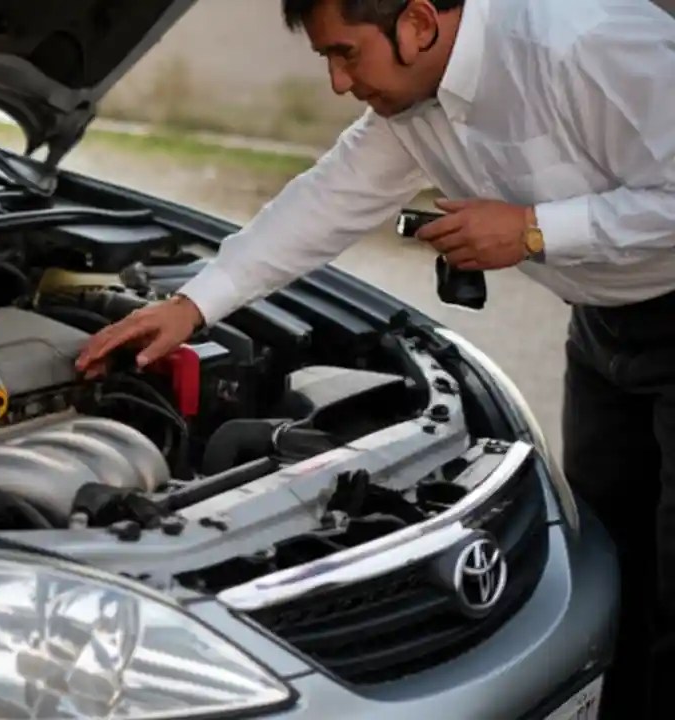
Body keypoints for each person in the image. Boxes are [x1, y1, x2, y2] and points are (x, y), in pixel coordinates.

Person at [74, 0, 675, 715]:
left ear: (418, 22)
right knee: (613, 556)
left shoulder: (589, 41)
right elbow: (325, 201)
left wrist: (536, 231)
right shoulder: (416, 104)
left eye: (345, 54)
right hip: (605, 331)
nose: (336, 82)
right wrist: (190, 305)